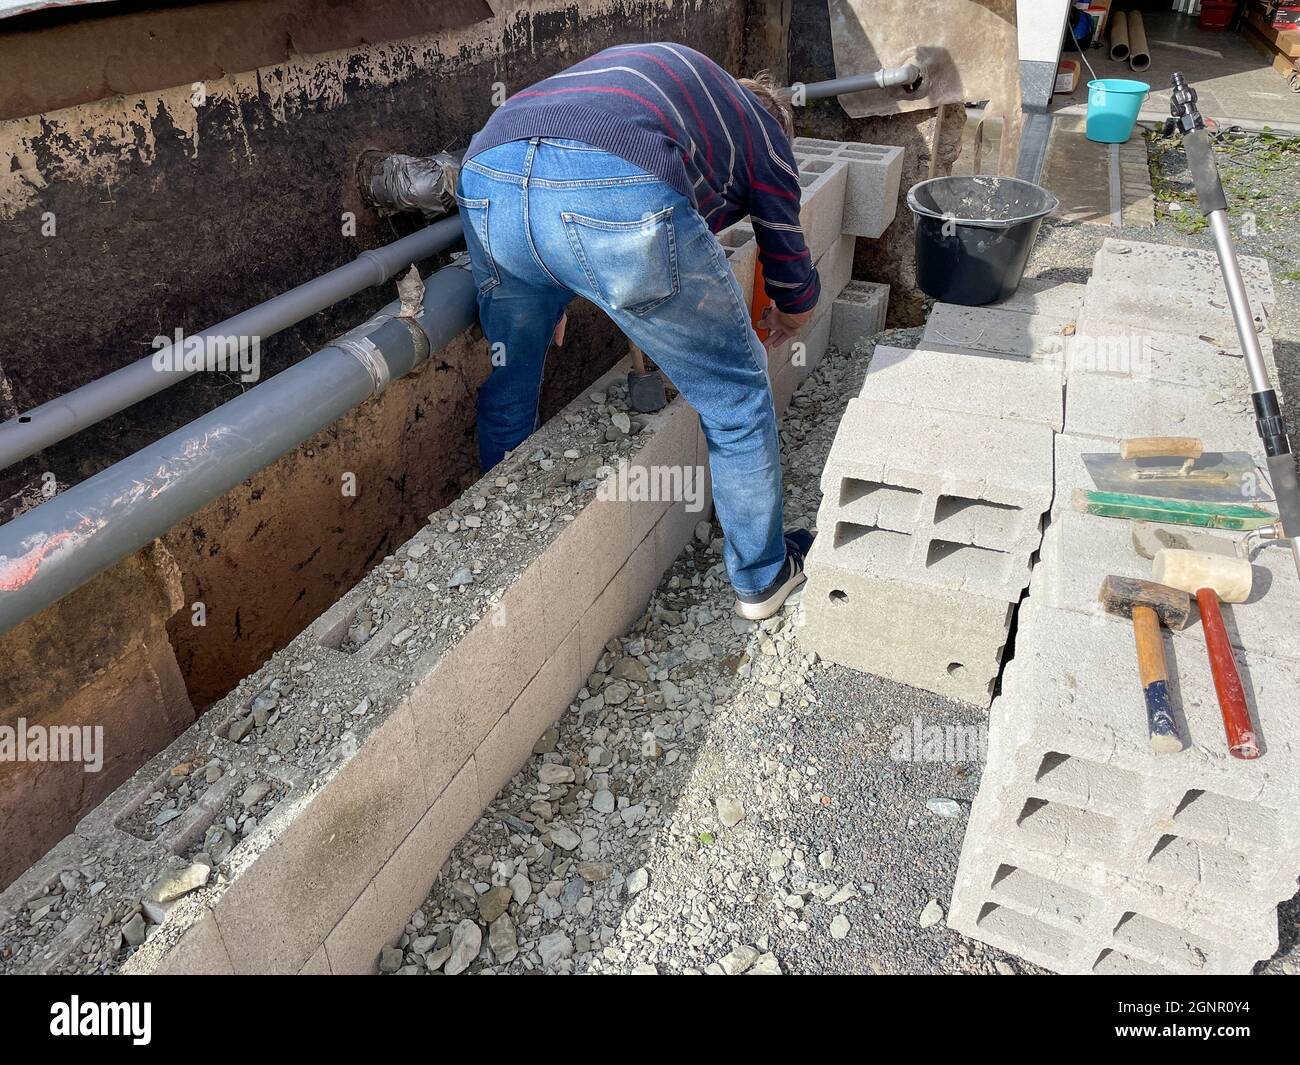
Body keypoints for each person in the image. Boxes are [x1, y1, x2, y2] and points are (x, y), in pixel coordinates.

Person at [458, 42, 818, 620]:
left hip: (489, 175)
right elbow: (788, 259)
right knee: (737, 397)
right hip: (610, 184)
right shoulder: (764, 128)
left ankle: (499, 549)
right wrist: (793, 314)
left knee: (513, 373)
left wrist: (555, 281)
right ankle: (763, 577)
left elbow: (552, 174)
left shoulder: (669, 85)